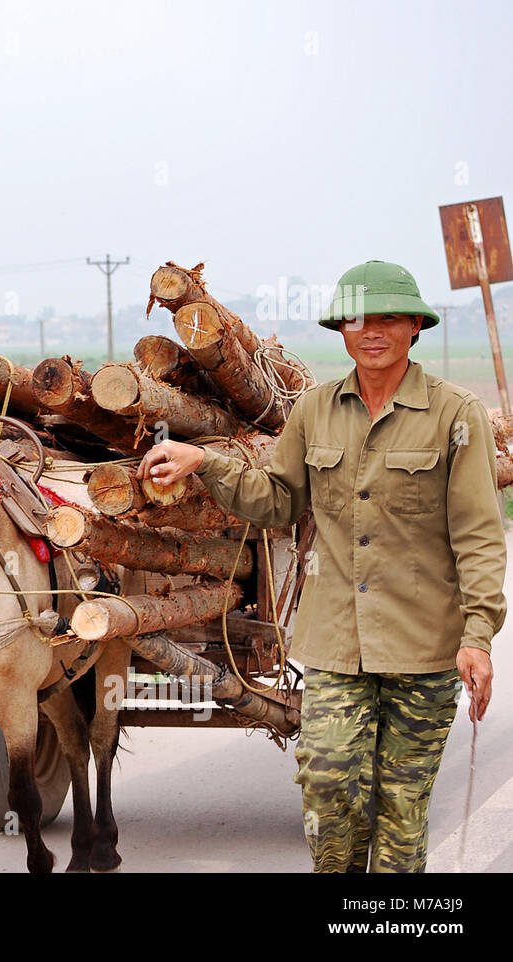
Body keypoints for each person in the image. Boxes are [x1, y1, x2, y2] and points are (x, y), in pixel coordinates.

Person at [134, 259, 506, 872]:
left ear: (415, 326)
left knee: (402, 810)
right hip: (336, 641)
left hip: (426, 645)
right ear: (341, 330)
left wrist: (479, 636)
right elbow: (278, 499)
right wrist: (205, 461)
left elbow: (479, 536)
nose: (373, 330)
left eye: (390, 318)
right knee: (328, 784)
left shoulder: (455, 415)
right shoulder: (314, 411)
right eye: (358, 319)